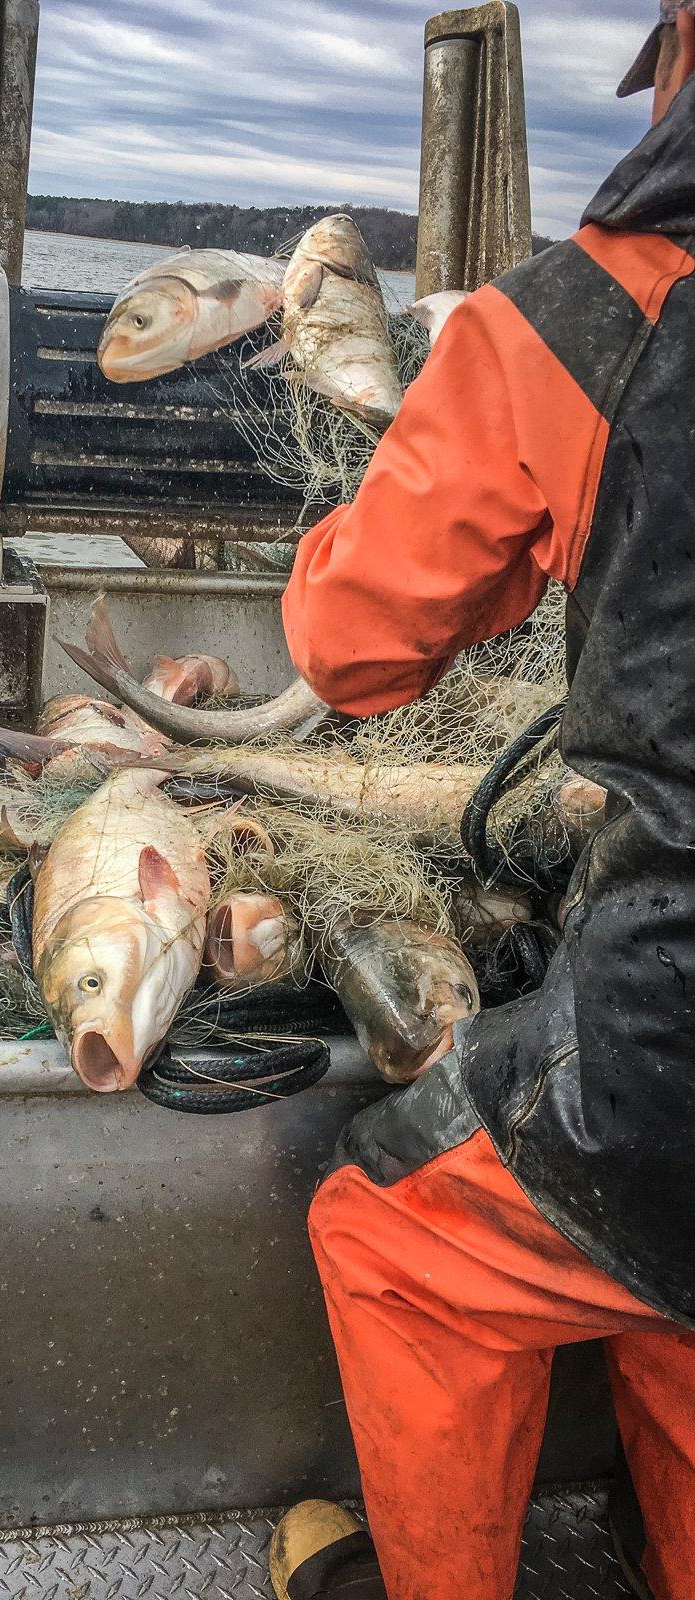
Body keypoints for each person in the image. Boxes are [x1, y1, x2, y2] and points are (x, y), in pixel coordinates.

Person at [269, 6, 695, 1598]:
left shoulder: (597, 313)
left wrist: (410, 450)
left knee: (399, 1237)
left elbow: (349, 646)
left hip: (683, 1036)